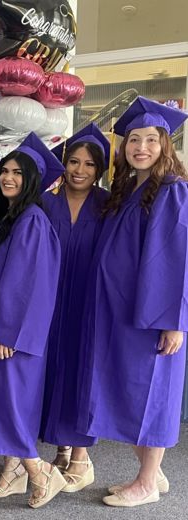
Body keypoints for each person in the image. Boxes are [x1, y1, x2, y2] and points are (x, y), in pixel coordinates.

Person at [76, 97, 188, 507]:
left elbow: (176, 260)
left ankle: (144, 483)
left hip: (153, 316)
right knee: (131, 391)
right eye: (134, 140)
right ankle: (152, 474)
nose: (141, 147)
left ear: (165, 145)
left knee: (152, 394)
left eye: (150, 140)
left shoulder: (173, 192)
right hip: (122, 313)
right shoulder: (128, 189)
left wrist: (174, 321)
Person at [0, 133, 65, 508]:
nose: (7, 178)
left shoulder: (32, 221)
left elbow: (28, 285)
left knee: (9, 401)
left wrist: (9, 333)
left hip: (15, 335)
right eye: (4, 171)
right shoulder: (6, 219)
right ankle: (13, 471)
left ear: (32, 179)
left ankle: (40, 471)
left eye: (17, 173)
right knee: (0, 398)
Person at [39, 124, 110, 493]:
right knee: (55, 369)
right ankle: (63, 448)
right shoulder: (46, 202)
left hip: (89, 301)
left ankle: (82, 457)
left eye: (89, 164)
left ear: (100, 170)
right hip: (49, 301)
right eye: (73, 161)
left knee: (83, 371)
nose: (80, 170)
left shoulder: (109, 204)